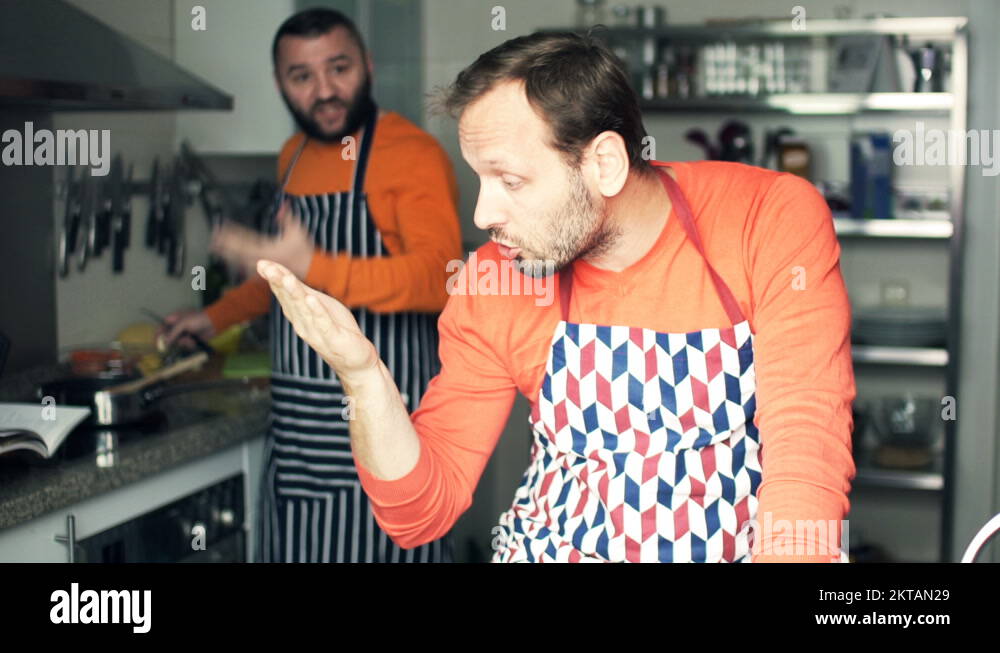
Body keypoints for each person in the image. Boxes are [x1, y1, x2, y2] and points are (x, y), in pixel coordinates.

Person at [256, 31, 857, 562]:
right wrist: (363, 380)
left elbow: (807, 443)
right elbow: (419, 516)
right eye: (480, 178)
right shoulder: (496, 278)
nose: (483, 213)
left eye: (510, 180)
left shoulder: (765, 217)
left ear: (604, 162)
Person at [161, 8, 462, 563]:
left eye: (339, 68)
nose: (324, 91)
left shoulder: (411, 155)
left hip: (384, 424)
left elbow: (439, 279)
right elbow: (286, 275)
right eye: (302, 76)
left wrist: (313, 262)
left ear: (367, 66)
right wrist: (214, 318)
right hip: (301, 427)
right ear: (280, 84)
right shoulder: (292, 157)